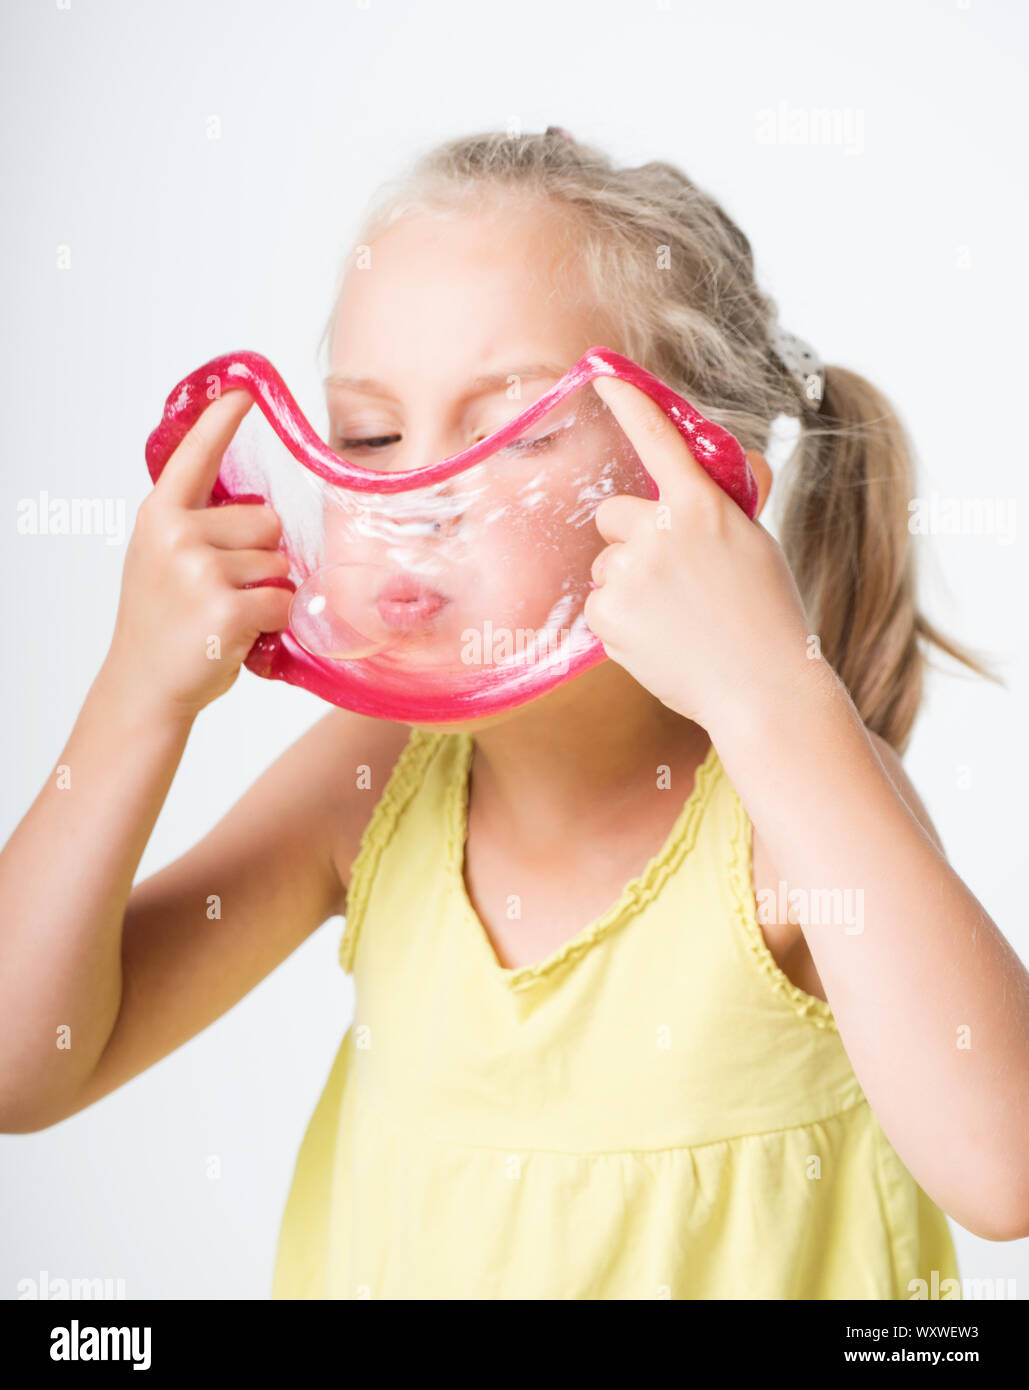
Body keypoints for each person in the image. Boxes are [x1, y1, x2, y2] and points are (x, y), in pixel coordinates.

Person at [2, 128, 1026, 1300]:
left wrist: (771, 685)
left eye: (520, 432)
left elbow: (1003, 1174)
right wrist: (135, 701)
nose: (415, 499)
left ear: (701, 471)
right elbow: (29, 1068)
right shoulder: (374, 783)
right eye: (370, 436)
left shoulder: (786, 814)